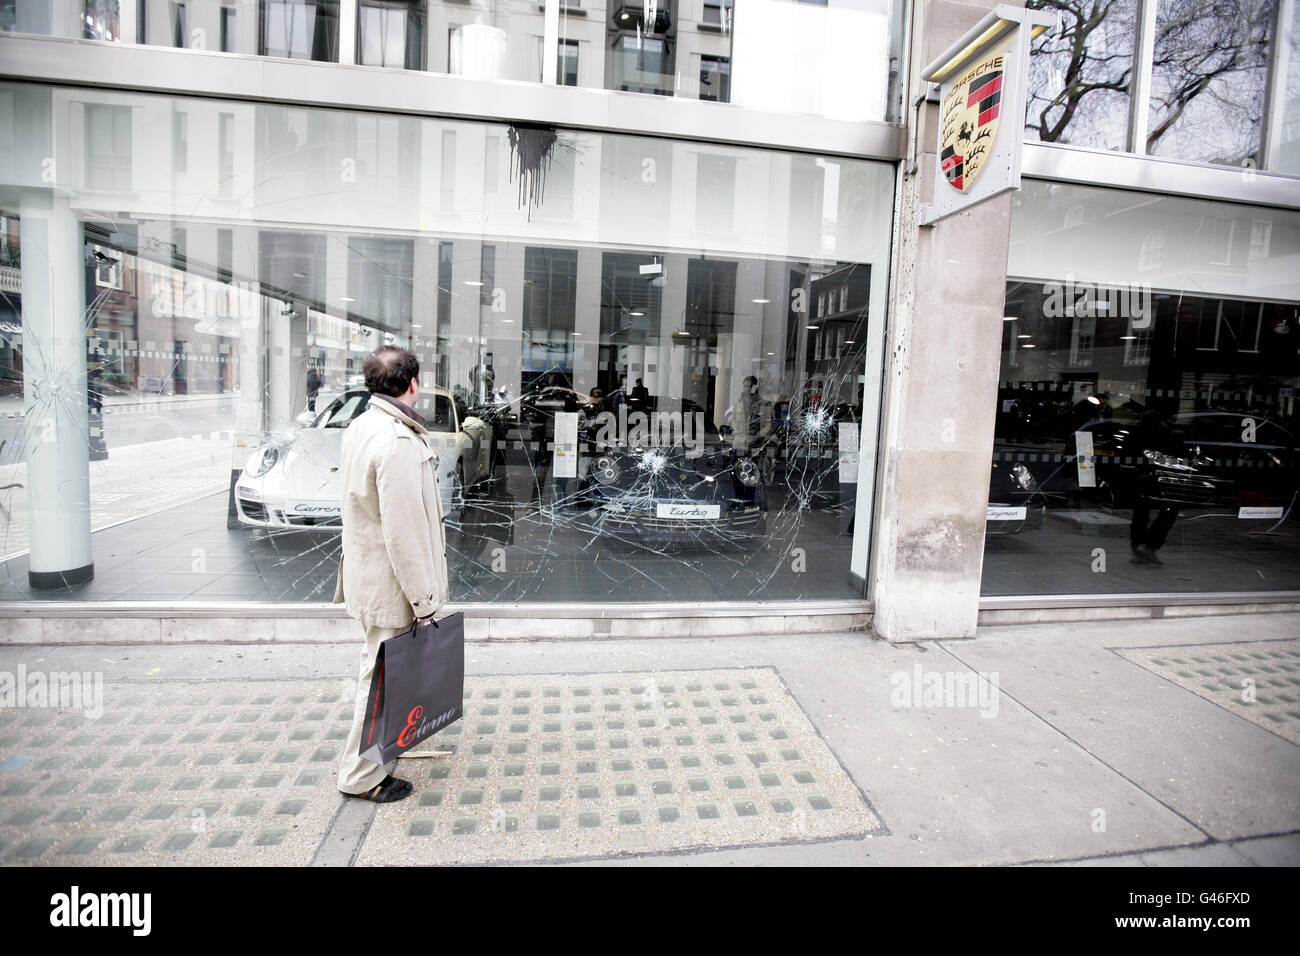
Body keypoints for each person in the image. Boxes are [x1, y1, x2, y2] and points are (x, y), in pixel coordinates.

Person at [333, 346, 448, 803]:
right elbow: (404, 533)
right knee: (379, 681)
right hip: (392, 586)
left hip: (368, 576)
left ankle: (379, 754)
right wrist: (425, 603)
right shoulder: (397, 441)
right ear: (413, 384)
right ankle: (360, 777)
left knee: (380, 674)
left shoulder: (363, 425)